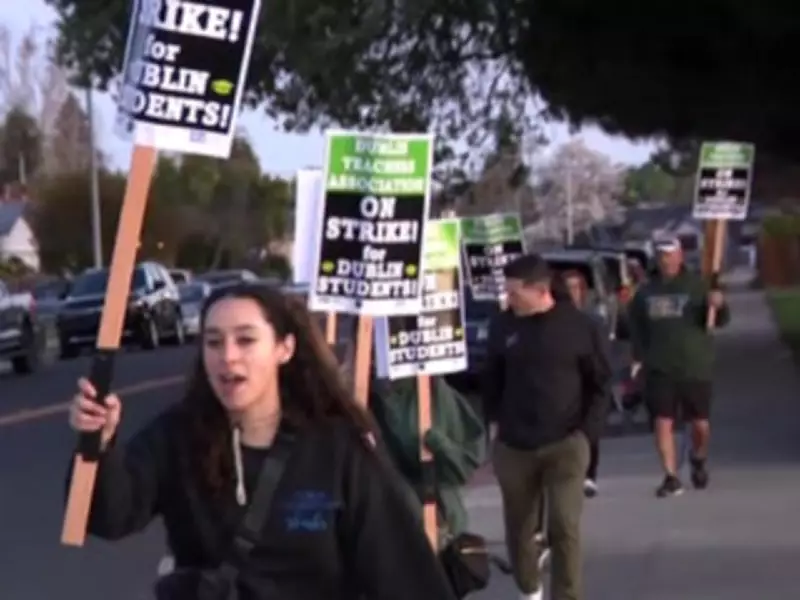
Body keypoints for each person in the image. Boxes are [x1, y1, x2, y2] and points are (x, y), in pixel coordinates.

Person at [67, 283, 457, 600]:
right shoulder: (178, 436)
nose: (228, 357)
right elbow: (108, 515)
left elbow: (400, 567)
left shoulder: (336, 447)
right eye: (214, 342)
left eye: (246, 340)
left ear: (284, 349)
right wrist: (97, 445)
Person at [483, 254, 611, 600]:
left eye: (514, 293)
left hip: (566, 443)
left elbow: (600, 384)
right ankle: (530, 588)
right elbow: (490, 381)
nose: (508, 300)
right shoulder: (503, 326)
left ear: (540, 291)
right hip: (514, 445)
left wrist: (587, 434)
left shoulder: (581, 327)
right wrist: (494, 426)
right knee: (520, 530)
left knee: (564, 526)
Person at [627, 236, 730, 498]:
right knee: (663, 422)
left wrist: (718, 305)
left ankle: (698, 458)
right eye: (661, 255)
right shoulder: (646, 292)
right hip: (660, 368)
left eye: (670, 254)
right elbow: (637, 330)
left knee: (700, 425)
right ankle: (671, 476)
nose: (666, 260)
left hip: (695, 366)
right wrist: (637, 360)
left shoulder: (697, 286)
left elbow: (720, 320)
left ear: (680, 256)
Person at [369, 375, 485, 546]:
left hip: (434, 512)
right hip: (391, 516)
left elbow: (462, 465)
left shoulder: (434, 391)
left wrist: (438, 443)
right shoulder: (365, 392)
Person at [560, 270, 613, 498]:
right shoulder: (555, 322)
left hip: (589, 384)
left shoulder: (592, 322)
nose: (572, 292)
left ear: (583, 292)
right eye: (567, 287)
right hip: (565, 386)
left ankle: (589, 475)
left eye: (576, 287)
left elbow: (603, 358)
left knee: (589, 431)